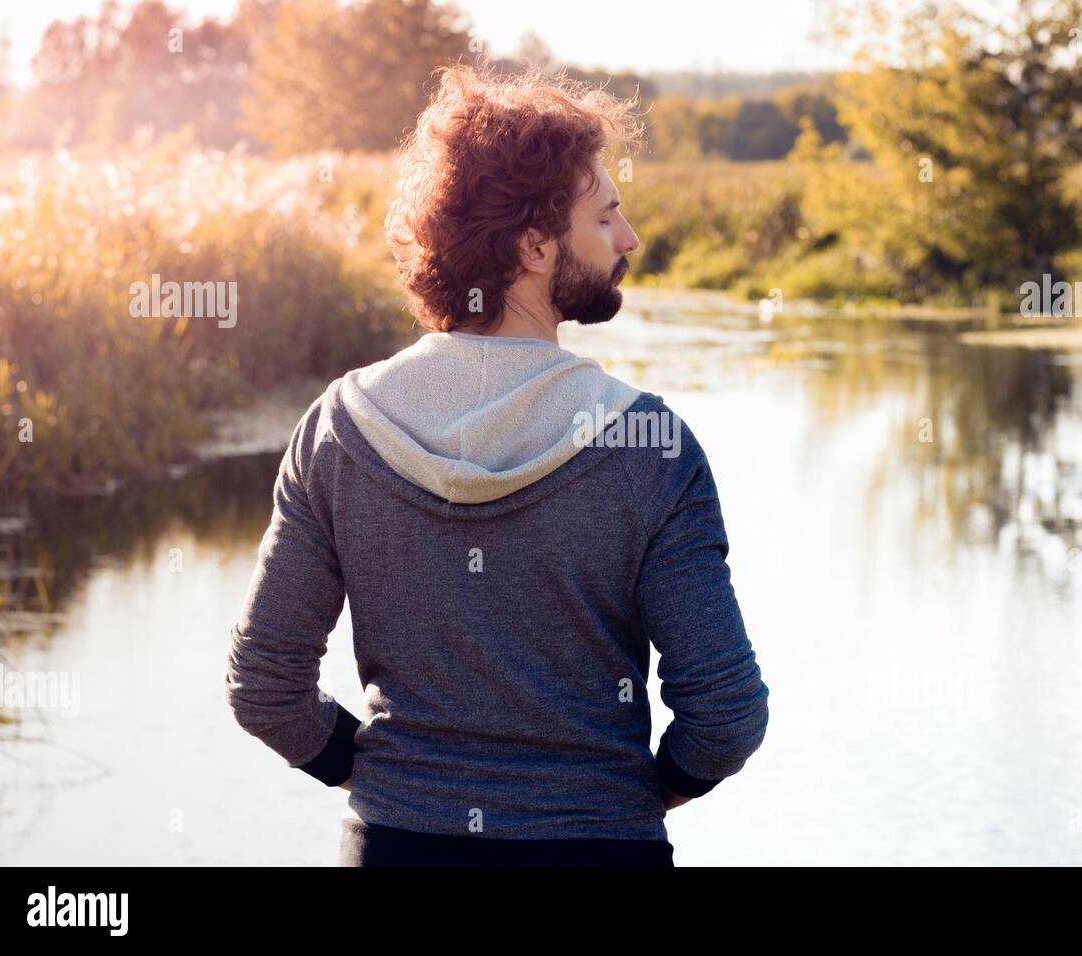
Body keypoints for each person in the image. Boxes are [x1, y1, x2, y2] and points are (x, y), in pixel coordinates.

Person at [223, 62, 770, 867]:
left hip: (395, 845)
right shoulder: (650, 446)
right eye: (607, 215)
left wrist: (374, 773)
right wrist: (634, 792)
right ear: (537, 246)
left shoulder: (340, 428)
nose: (630, 239)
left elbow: (265, 686)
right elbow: (725, 716)